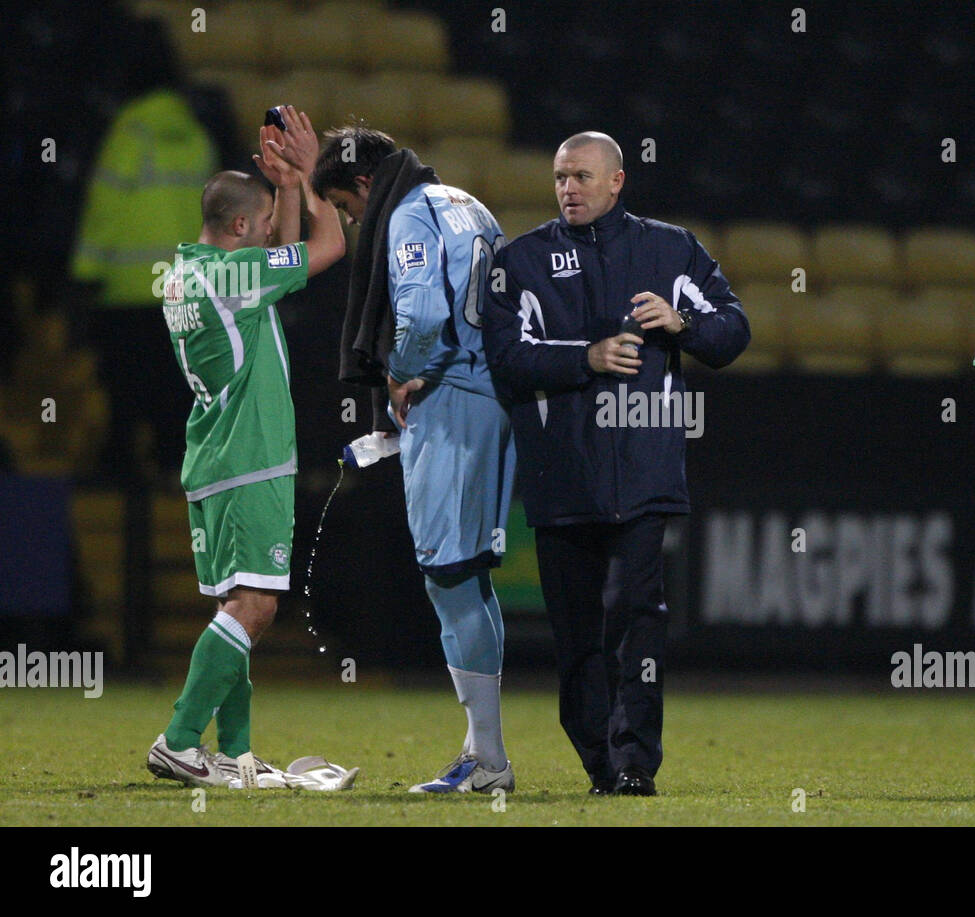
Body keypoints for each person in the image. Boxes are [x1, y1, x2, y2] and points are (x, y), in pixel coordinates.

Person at [482, 132, 750, 796]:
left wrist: (682, 321)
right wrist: (588, 357)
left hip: (645, 474)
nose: (567, 187)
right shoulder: (520, 260)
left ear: (616, 181)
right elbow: (505, 363)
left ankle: (633, 761)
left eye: (580, 176)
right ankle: (599, 758)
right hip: (561, 476)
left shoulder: (671, 248)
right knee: (577, 633)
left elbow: (734, 331)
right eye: (559, 177)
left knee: (638, 620)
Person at [276, 123, 517, 794]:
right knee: (470, 576)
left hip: (451, 398)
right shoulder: (466, 202)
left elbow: (419, 315)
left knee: (446, 574)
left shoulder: (408, 214)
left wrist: (401, 375)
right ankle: (485, 752)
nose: (356, 225)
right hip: (493, 394)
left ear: (362, 186)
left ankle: (489, 762)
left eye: (350, 210)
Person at [146, 107, 347, 786]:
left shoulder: (191, 273)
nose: (267, 234)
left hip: (212, 456)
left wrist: (285, 192)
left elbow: (280, 261)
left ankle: (233, 754)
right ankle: (178, 738)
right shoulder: (235, 279)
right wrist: (312, 174)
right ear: (239, 228)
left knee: (236, 604)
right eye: (258, 224)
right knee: (256, 607)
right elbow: (329, 249)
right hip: (249, 458)